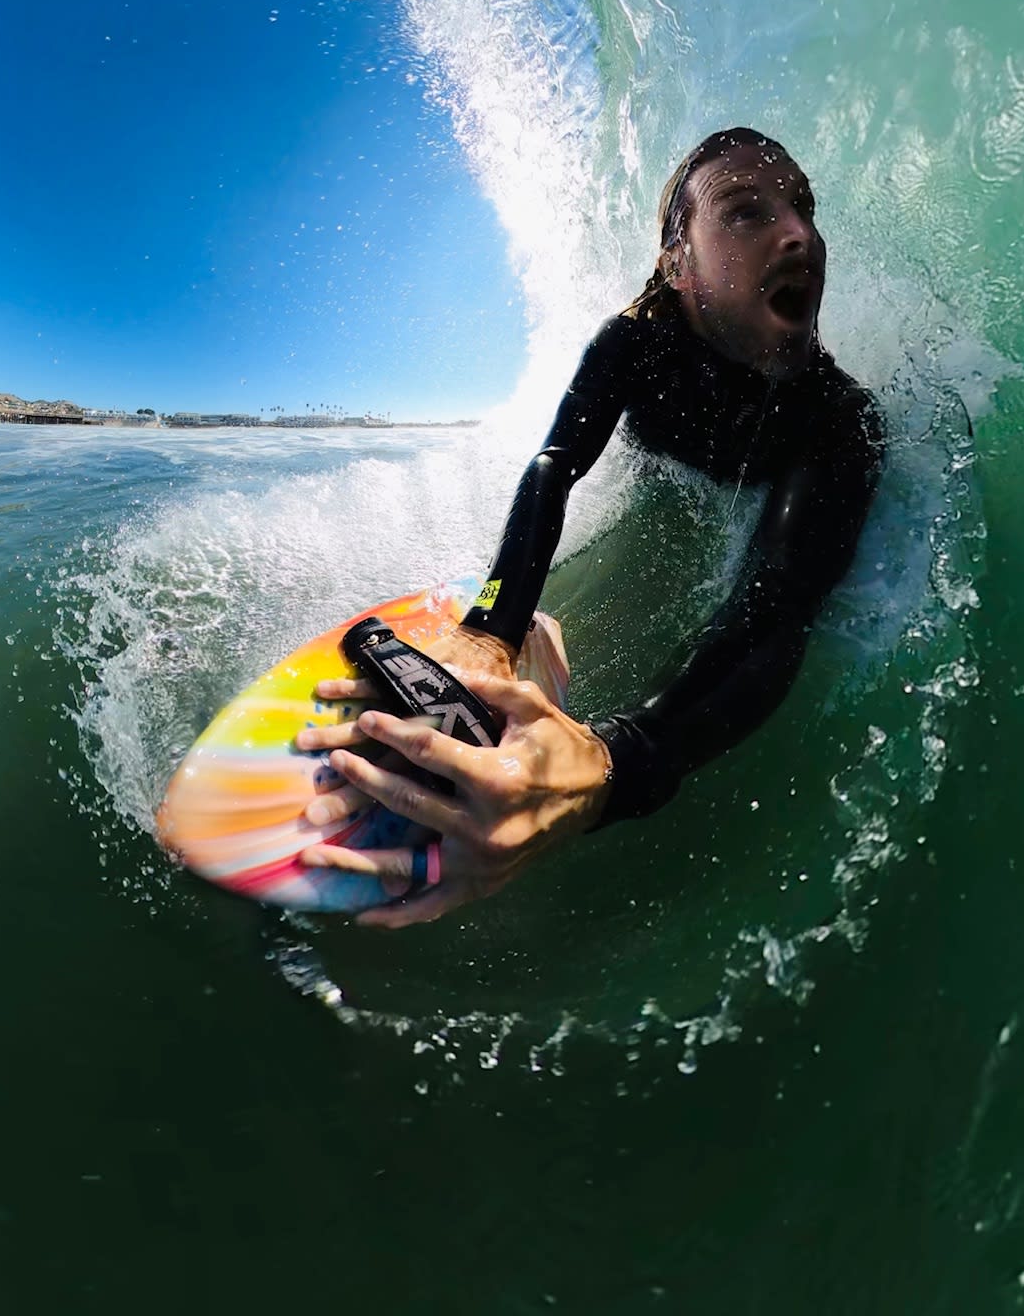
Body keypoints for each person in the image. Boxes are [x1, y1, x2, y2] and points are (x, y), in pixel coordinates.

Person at [294, 127, 884, 926]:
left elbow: (773, 613)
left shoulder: (841, 421)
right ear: (679, 265)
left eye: (804, 210)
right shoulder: (633, 341)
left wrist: (615, 760)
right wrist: (493, 628)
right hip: (666, 459)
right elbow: (555, 467)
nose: (799, 233)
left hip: (765, 480)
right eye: (746, 212)